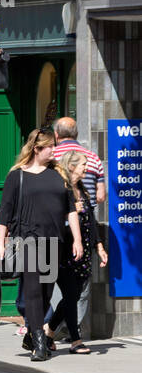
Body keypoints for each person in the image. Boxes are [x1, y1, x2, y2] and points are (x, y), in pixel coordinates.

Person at [0, 127, 82, 362]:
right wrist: (0, 243)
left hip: (55, 241)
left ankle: (31, 337)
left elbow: (71, 210)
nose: (54, 150)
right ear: (36, 149)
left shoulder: (59, 174)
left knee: (45, 292)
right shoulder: (17, 175)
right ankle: (40, 343)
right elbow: (4, 212)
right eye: (50, 146)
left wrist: (78, 240)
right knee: (33, 291)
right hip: (28, 239)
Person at [44, 151, 107, 355]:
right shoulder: (61, 189)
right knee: (71, 295)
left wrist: (99, 247)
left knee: (74, 295)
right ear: (71, 166)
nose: (86, 169)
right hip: (65, 251)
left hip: (83, 252)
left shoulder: (82, 189)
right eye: (82, 165)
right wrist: (69, 213)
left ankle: (49, 331)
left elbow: (91, 221)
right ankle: (75, 340)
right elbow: (50, 218)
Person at [50, 116, 105, 335]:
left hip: (59, 233)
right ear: (77, 134)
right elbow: (100, 196)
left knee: (58, 285)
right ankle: (73, 329)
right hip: (82, 229)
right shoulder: (93, 157)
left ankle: (57, 327)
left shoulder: (48, 157)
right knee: (78, 288)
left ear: (56, 135)